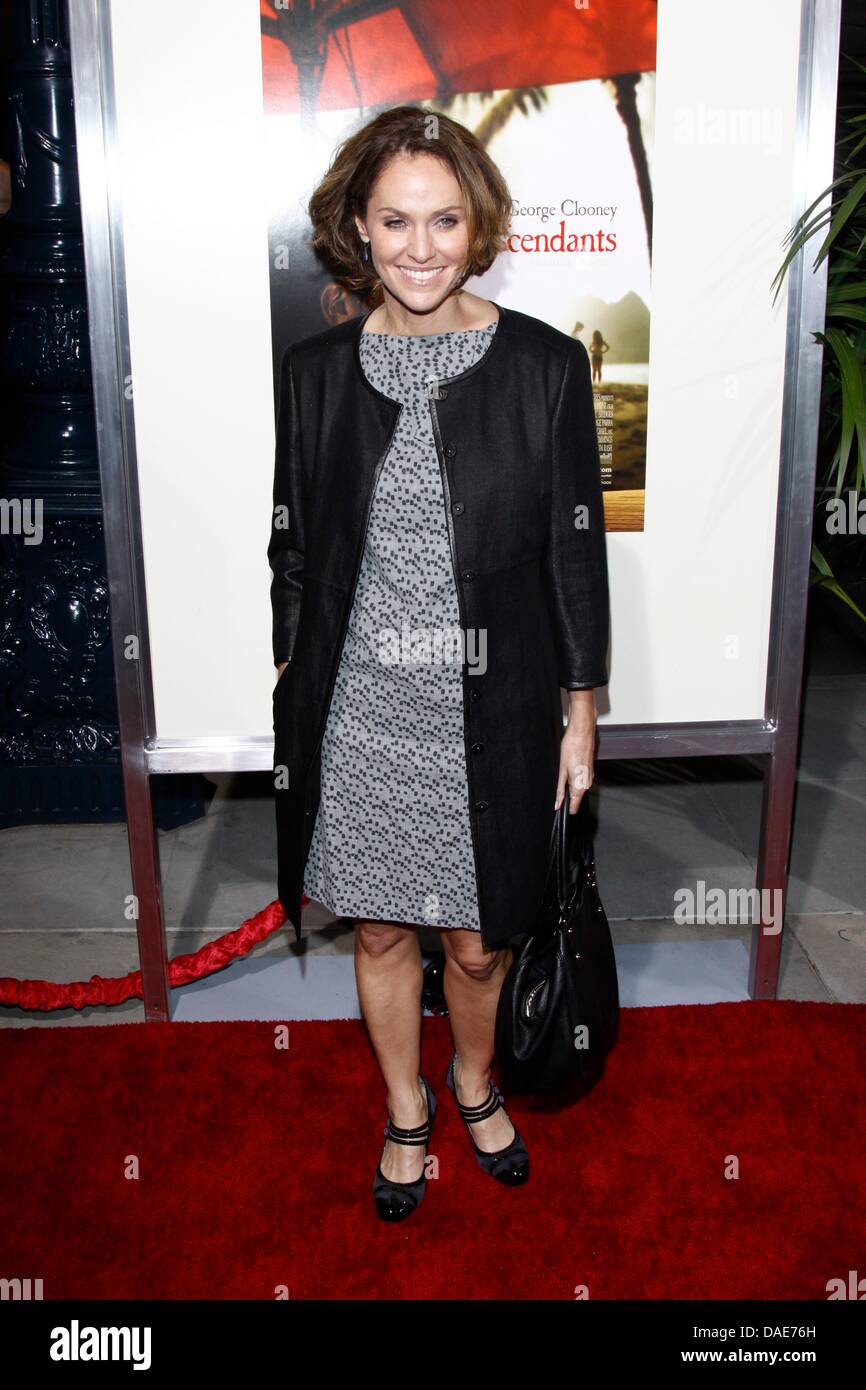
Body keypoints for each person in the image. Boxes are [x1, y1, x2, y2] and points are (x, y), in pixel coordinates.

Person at [269, 106, 610, 1222]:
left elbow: (572, 549)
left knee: (473, 943)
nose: (421, 246)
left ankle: (471, 1079)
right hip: (365, 708)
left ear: (478, 224)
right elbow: (292, 540)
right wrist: (291, 662)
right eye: (395, 221)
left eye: (445, 219)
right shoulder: (315, 372)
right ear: (356, 229)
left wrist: (579, 707)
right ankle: (405, 1106)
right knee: (377, 927)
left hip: (496, 706)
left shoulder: (544, 366)